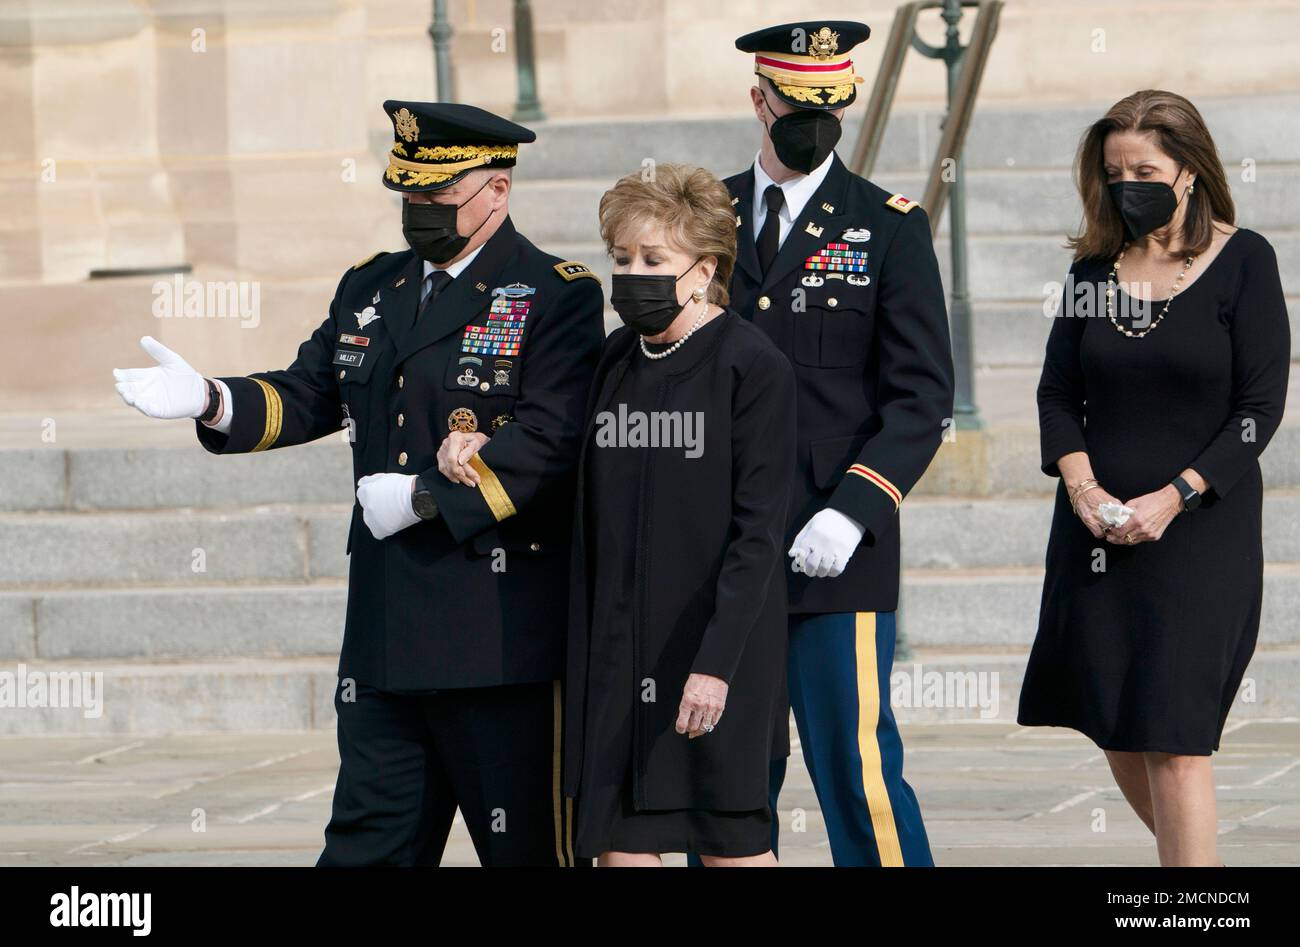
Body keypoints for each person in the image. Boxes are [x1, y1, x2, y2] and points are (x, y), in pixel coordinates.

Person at [112, 100, 605, 866]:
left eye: (437, 199)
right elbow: (311, 392)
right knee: (365, 850)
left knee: (529, 852)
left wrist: (424, 498)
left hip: (498, 638)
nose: (418, 213)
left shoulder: (554, 293)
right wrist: (214, 398)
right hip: (387, 632)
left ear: (497, 192)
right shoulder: (372, 287)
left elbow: (554, 441)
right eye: (408, 197)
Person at [1020, 89, 1290, 866]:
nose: (1127, 183)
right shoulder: (1091, 269)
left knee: (1174, 735)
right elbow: (1055, 395)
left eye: (1145, 168)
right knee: (1116, 726)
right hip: (1095, 534)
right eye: (1113, 171)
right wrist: (1083, 490)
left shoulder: (1247, 260)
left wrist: (1177, 497)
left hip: (1199, 535)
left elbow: (1259, 408)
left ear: (1191, 172)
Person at [709, 21, 954, 868]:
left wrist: (855, 510)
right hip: (718, 539)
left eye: (831, 104)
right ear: (759, 100)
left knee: (856, 768)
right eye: (795, 104)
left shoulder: (889, 227)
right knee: (725, 773)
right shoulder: (706, 219)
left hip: (831, 543)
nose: (813, 121)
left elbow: (922, 399)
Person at [562, 164, 797, 866]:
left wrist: (714, 667)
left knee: (729, 847)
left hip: (715, 656)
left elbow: (757, 535)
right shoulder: (615, 360)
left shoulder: (752, 367)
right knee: (620, 849)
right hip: (619, 655)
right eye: (622, 258)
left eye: (653, 260)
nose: (632, 273)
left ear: (705, 269)